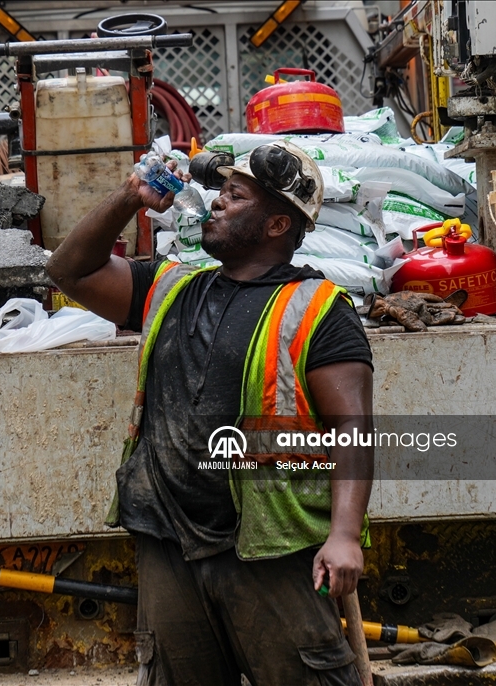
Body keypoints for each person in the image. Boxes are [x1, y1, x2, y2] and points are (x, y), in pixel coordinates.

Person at [46, 141, 374, 685]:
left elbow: (353, 429)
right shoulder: (172, 287)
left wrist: (344, 535)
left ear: (276, 225)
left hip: (268, 549)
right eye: (221, 191)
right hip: (168, 540)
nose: (217, 202)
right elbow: (69, 271)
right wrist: (130, 197)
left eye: (236, 196)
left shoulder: (319, 310)